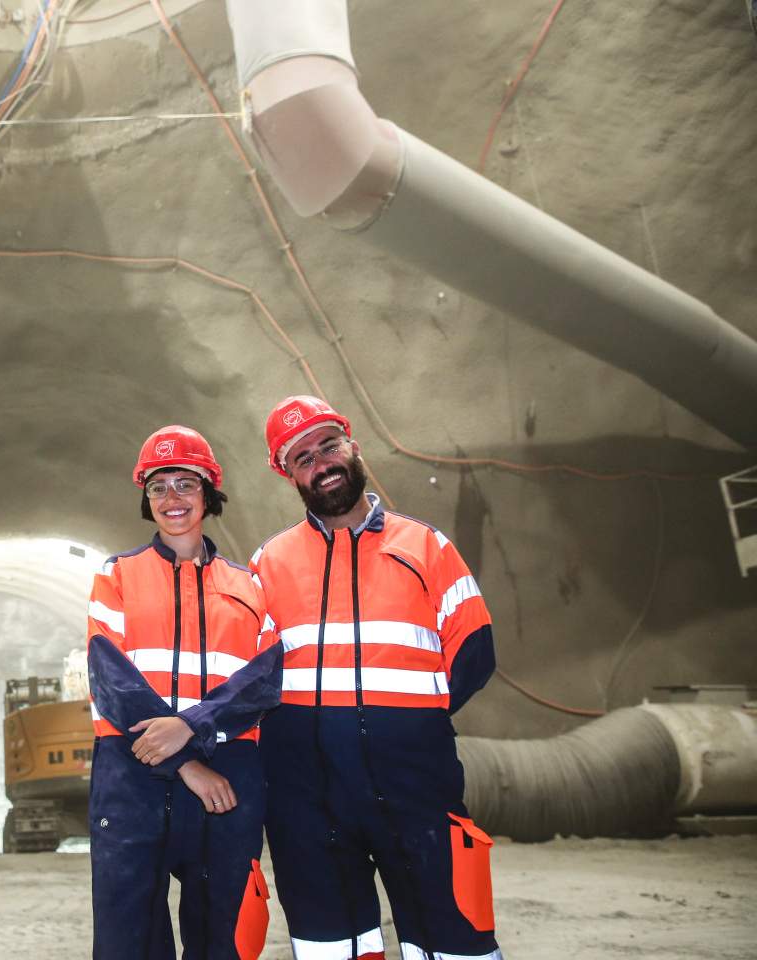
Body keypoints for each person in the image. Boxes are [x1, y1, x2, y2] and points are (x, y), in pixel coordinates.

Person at [133, 397, 501, 960]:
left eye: (329, 446)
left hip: (417, 791)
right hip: (306, 800)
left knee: (454, 942)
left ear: (353, 447)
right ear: (289, 475)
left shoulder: (427, 548)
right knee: (329, 947)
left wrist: (405, 728)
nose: (321, 463)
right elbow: (245, 674)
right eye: (302, 458)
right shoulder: (268, 564)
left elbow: (474, 653)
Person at [87, 425, 274, 960]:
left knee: (224, 939)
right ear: (146, 499)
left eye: (185, 484)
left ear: (208, 493)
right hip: (133, 773)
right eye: (158, 486)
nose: (172, 498)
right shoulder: (116, 576)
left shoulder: (248, 585)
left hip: (228, 775)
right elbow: (111, 678)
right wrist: (187, 763)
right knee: (130, 943)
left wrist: (191, 727)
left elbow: (261, 682)